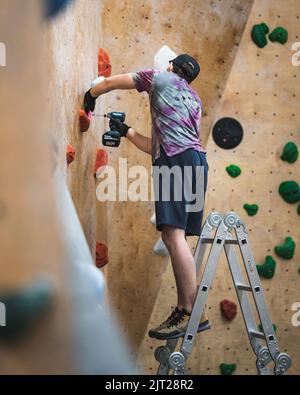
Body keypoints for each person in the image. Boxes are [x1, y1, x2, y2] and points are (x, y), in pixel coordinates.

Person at [83, 54, 210, 340]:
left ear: (171, 66)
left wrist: (91, 95)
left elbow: (115, 82)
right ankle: (185, 308)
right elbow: (158, 146)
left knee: (174, 237)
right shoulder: (193, 99)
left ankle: (192, 312)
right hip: (196, 162)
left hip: (177, 163)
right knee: (172, 236)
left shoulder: (159, 78)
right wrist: (126, 132)